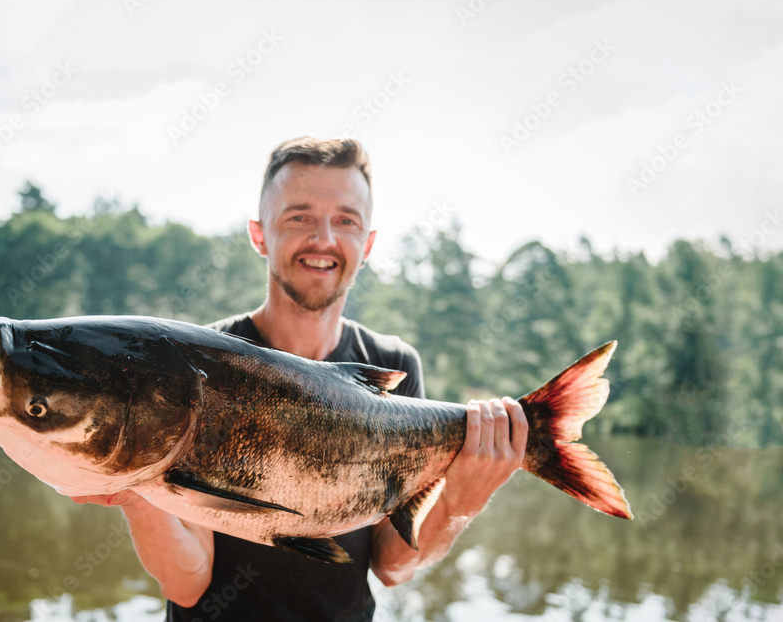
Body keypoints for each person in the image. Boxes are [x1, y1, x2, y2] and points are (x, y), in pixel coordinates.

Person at [72, 137, 528, 621]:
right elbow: (189, 584)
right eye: (299, 217)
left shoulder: (393, 364)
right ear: (259, 234)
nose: (324, 238)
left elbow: (393, 567)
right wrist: (137, 491)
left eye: (346, 221)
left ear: (367, 243)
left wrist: (463, 497)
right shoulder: (196, 366)